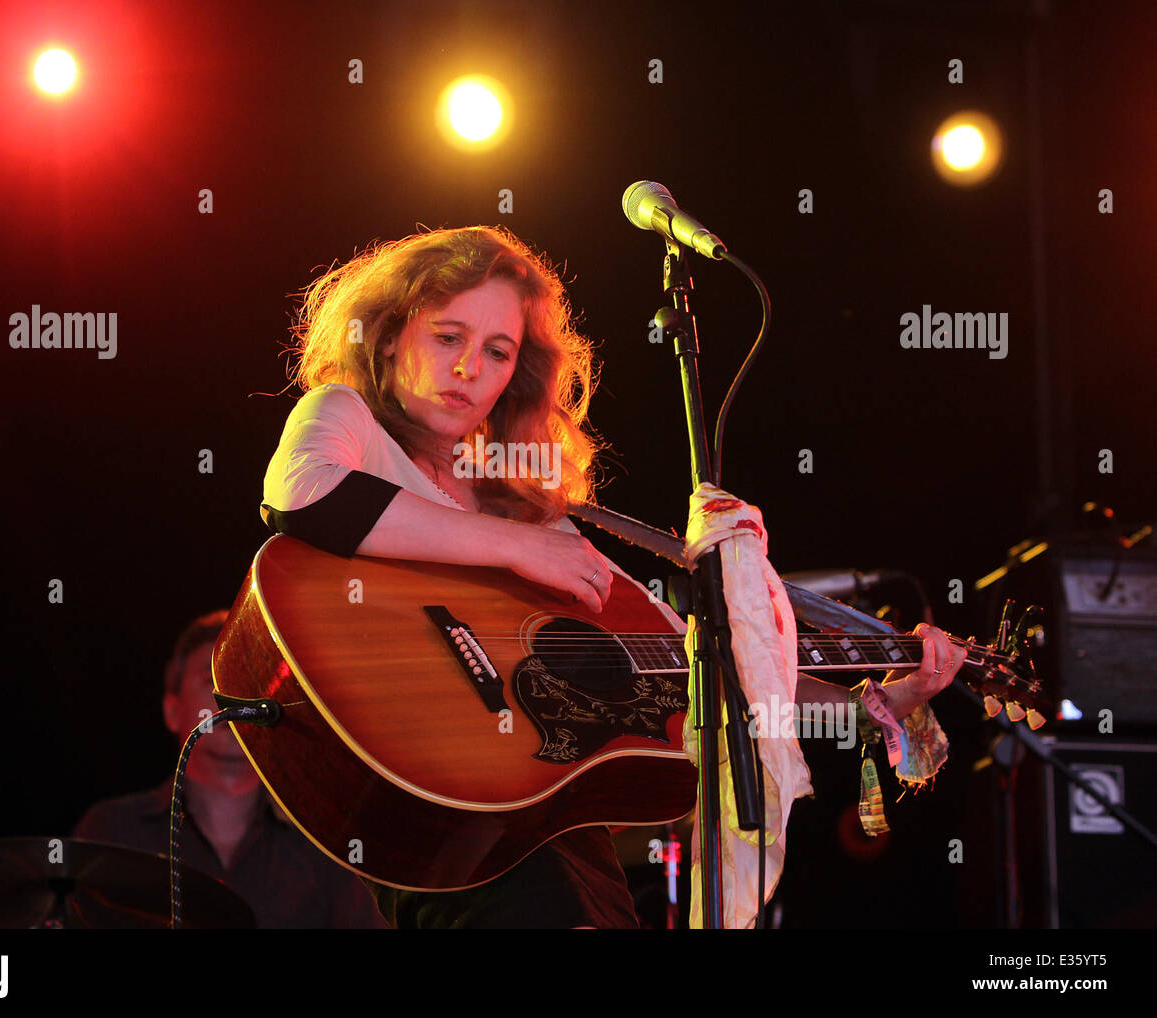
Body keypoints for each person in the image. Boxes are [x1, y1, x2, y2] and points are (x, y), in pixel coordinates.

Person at [259, 225, 966, 928]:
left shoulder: (522, 503)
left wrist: (883, 701)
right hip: (449, 818)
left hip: (558, 833)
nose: (470, 368)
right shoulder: (347, 418)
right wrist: (512, 546)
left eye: (498, 351)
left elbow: (706, 668)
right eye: (448, 337)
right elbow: (304, 491)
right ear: (388, 336)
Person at [73, 610, 388, 929]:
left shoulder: (326, 843)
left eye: (249, 680)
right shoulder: (112, 830)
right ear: (172, 710)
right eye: (213, 680)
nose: (231, 698)